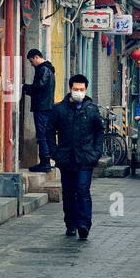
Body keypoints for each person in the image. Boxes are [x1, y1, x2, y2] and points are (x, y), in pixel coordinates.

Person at [52, 74, 103, 239]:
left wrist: (96, 153)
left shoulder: (91, 110)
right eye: (75, 89)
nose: (78, 92)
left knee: (82, 190)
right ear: (70, 89)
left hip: (86, 158)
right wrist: (55, 153)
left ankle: (84, 224)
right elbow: (49, 133)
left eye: (81, 89)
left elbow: (99, 133)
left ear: (86, 90)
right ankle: (70, 223)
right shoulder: (59, 109)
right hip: (66, 158)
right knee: (68, 192)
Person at [21, 48, 56, 173]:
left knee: (42, 134)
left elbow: (40, 86)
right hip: (46, 106)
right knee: (43, 134)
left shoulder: (43, 69)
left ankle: (45, 162)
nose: (31, 64)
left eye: (31, 61)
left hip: (42, 107)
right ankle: (45, 161)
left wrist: (26, 87)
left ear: (36, 57)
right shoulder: (48, 69)